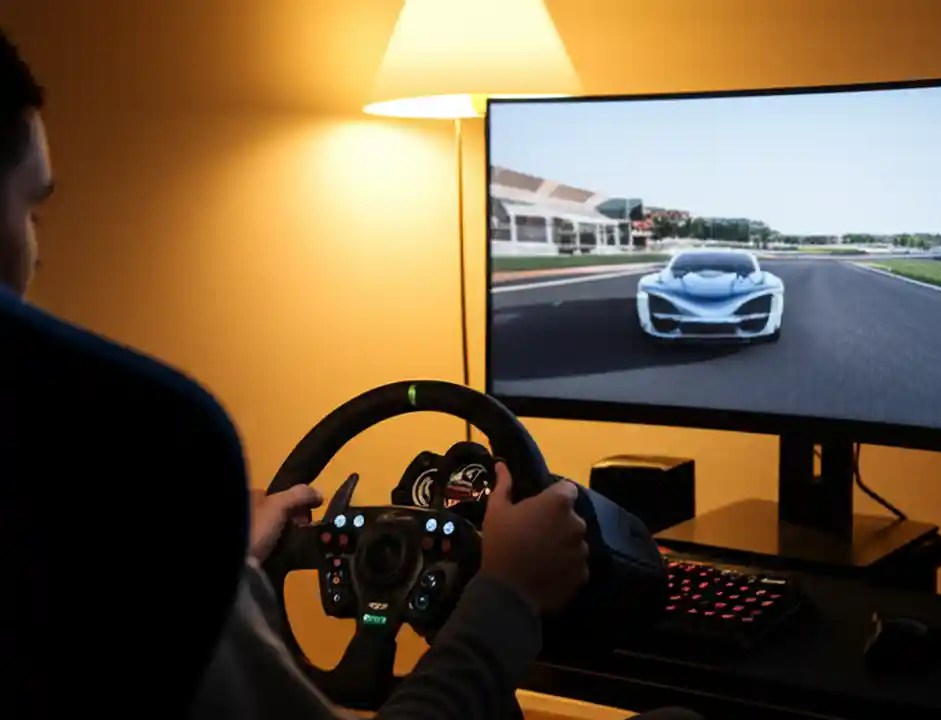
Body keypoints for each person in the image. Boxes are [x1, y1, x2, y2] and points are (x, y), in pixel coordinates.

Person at [0, 29, 697, 720]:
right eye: (32, 208)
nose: (40, 256)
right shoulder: (150, 442)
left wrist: (227, 566)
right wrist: (509, 592)